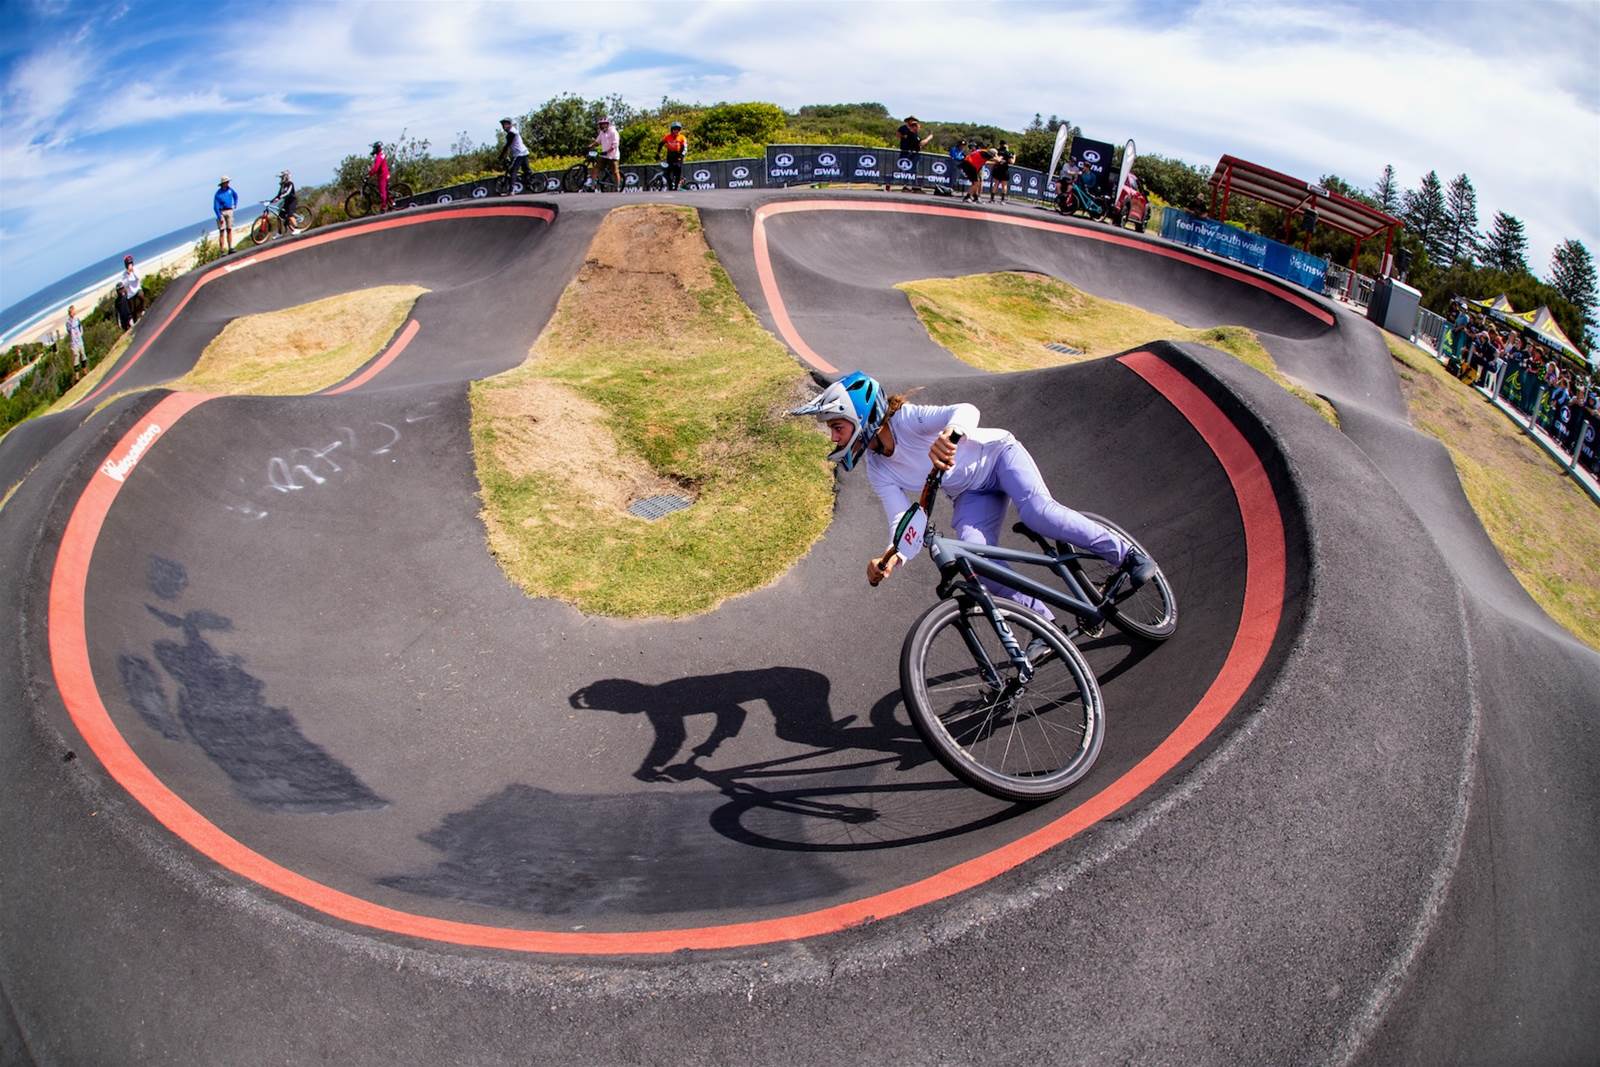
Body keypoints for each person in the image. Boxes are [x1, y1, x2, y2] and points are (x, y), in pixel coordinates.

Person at [789, 372, 1154, 612]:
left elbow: (966, 409)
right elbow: (903, 521)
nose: (833, 437)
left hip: (999, 457)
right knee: (979, 563)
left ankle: (1129, 557)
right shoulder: (877, 467)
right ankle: (1043, 624)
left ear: (861, 416)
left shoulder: (907, 420)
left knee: (1038, 514)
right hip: (970, 495)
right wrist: (891, 557)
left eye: (837, 427)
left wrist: (950, 434)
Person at [890, 115, 932, 192]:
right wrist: (929, 138)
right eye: (915, 125)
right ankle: (908, 186)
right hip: (909, 154)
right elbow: (920, 143)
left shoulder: (914, 134)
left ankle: (911, 186)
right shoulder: (909, 132)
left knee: (911, 171)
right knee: (906, 170)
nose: (918, 127)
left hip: (913, 154)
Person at [497, 117, 534, 193]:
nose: (503, 126)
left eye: (505, 124)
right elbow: (510, 146)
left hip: (519, 154)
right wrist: (507, 155)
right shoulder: (512, 131)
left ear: (510, 124)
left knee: (513, 171)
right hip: (524, 152)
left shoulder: (512, 132)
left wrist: (501, 156)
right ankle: (529, 184)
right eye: (503, 125)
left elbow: (507, 145)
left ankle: (511, 190)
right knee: (526, 170)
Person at [589, 115, 621, 191]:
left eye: (603, 124)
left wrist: (607, 151)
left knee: (615, 171)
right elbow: (597, 142)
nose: (602, 126)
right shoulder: (602, 133)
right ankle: (592, 186)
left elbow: (615, 145)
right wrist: (591, 145)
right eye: (601, 124)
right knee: (595, 169)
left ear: (607, 124)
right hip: (604, 155)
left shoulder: (613, 132)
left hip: (613, 156)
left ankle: (618, 187)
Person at [656, 121, 687, 191]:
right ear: (672, 130)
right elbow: (660, 144)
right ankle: (670, 186)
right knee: (667, 173)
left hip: (678, 156)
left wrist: (682, 156)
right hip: (670, 157)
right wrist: (658, 153)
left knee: (677, 172)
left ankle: (676, 187)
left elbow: (685, 148)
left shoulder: (682, 137)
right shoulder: (667, 137)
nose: (676, 131)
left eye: (678, 129)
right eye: (674, 129)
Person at [115, 255, 142, 331]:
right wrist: (118, 323)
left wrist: (132, 272)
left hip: (130, 316)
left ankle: (141, 312)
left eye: (121, 289)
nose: (120, 290)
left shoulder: (135, 270)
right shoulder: (117, 301)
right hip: (124, 320)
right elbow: (117, 313)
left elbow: (138, 278)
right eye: (119, 290)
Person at [268, 170, 299, 234]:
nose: (281, 179)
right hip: (286, 202)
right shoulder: (282, 185)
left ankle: (297, 229)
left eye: (282, 177)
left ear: (286, 177)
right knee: (279, 217)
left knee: (290, 215)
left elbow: (287, 193)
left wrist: (279, 198)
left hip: (292, 201)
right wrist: (271, 201)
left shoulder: (290, 183)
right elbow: (279, 194)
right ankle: (279, 233)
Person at [213, 175, 239, 253]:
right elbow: (215, 207)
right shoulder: (218, 194)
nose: (228, 183)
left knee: (229, 229)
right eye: (226, 182)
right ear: (223, 183)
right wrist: (219, 216)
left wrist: (235, 204)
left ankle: (230, 247)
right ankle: (222, 251)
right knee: (222, 231)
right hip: (221, 212)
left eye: (228, 181)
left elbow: (236, 196)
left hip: (229, 211)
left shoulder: (230, 190)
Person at [367, 141, 390, 211]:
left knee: (382, 192)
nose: (373, 150)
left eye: (374, 148)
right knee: (386, 190)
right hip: (386, 174)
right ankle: (391, 202)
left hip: (382, 176)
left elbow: (376, 168)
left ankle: (384, 207)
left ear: (377, 149)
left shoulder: (378, 157)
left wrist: (369, 174)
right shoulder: (381, 155)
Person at [65, 304, 85, 378]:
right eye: (73, 311)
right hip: (74, 343)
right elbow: (69, 331)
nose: (74, 312)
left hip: (80, 341)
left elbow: (80, 327)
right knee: (76, 358)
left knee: (83, 356)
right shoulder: (68, 322)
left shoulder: (77, 319)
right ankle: (77, 377)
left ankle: (85, 371)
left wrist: (81, 334)